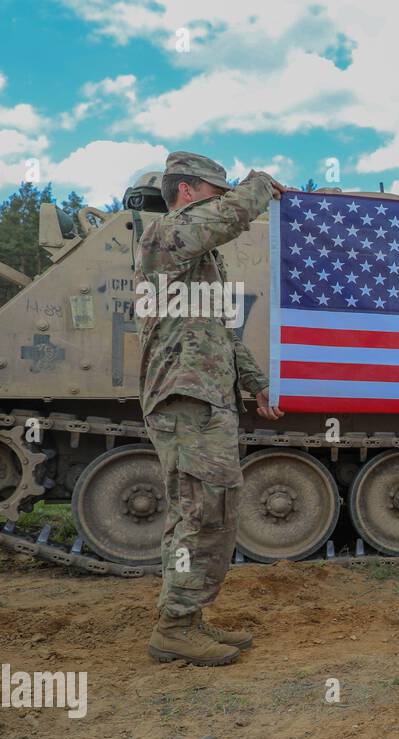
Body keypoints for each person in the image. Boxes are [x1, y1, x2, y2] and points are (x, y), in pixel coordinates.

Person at [134, 151, 287, 665]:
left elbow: (222, 334)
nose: (223, 200)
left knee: (205, 512)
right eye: (214, 191)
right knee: (204, 512)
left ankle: (188, 617)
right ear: (187, 190)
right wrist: (259, 185)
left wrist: (255, 383)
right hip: (185, 398)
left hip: (206, 398)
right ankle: (175, 625)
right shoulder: (164, 236)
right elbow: (225, 220)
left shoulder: (199, 263)